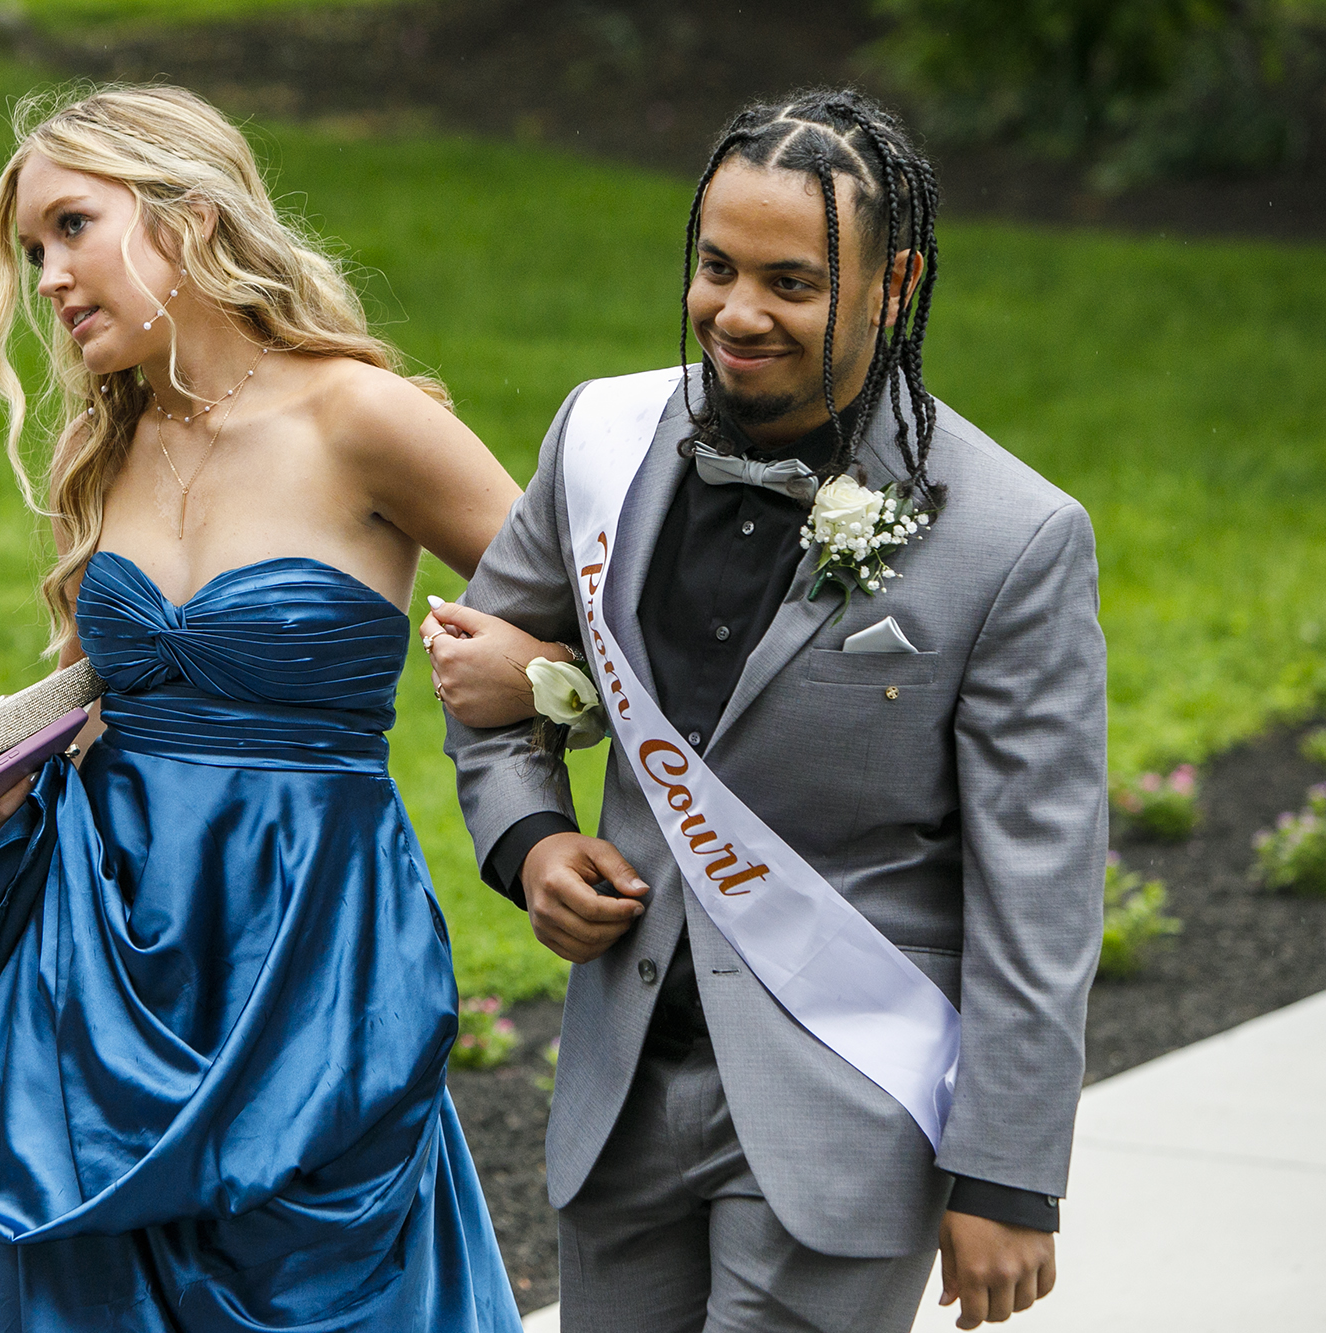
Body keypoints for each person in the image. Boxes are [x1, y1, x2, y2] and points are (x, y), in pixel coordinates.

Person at [427, 90, 1105, 1332]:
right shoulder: (602, 438)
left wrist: (1007, 1172)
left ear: (894, 286)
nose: (736, 313)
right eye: (715, 268)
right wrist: (529, 839)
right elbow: (485, 664)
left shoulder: (1011, 538)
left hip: (843, 1103)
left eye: (790, 282)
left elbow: (1039, 880)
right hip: (621, 1089)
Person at [0, 84, 526, 1332]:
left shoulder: (361, 418)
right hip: (108, 941)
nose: (49, 279)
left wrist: (522, 683)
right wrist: (19, 774)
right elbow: (110, 692)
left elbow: (588, 625)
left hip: (308, 931)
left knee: (316, 1277)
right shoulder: (102, 448)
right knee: (81, 1275)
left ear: (187, 214)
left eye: (73, 226)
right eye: (32, 250)